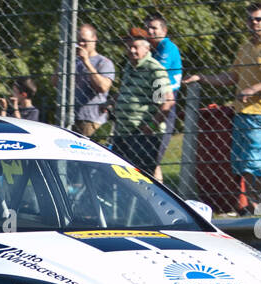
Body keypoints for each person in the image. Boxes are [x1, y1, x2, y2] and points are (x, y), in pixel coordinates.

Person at [184, 2, 261, 213]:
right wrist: (203, 78)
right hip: (241, 113)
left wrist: (254, 89)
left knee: (255, 164)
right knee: (242, 165)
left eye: (259, 19)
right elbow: (232, 77)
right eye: (250, 19)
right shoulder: (245, 47)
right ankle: (252, 208)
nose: (254, 23)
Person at [109, 36, 173, 173]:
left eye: (135, 47)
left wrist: (151, 126)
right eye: (129, 47)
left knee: (141, 178)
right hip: (122, 133)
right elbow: (125, 92)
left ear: (147, 48)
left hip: (142, 135)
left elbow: (166, 102)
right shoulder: (129, 67)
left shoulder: (154, 69)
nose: (132, 50)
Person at [144, 13, 182, 180]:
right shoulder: (154, 50)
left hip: (166, 100)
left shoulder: (167, 47)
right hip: (154, 99)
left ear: (164, 31)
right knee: (151, 156)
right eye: (148, 28)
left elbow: (158, 70)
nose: (150, 31)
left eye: (154, 28)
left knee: (155, 152)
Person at [71, 24, 115, 137]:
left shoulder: (104, 62)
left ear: (94, 39)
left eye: (85, 41)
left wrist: (86, 62)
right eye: (79, 41)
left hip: (91, 120)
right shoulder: (73, 61)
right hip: (71, 118)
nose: (81, 44)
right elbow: (55, 83)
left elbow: (103, 87)